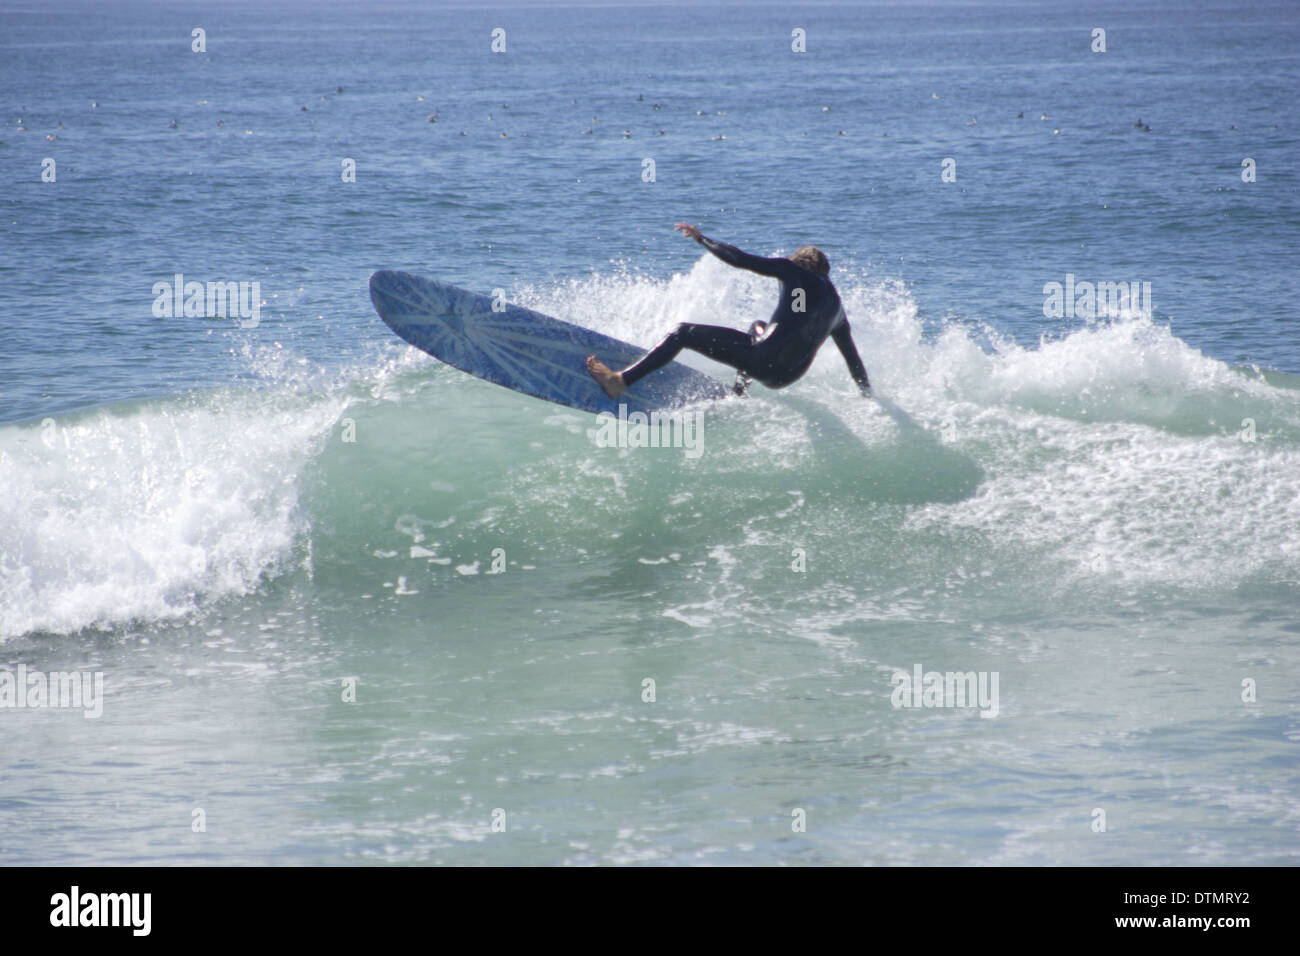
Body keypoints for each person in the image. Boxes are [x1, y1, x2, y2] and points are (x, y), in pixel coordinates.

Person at [586, 223, 871, 398]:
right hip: (784, 377)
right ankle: (739, 392)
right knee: (758, 326)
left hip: (761, 360)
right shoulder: (838, 312)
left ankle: (620, 381)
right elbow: (854, 362)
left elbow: (741, 259)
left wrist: (702, 239)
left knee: (682, 333)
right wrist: (869, 400)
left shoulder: (793, 270)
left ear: (800, 262)